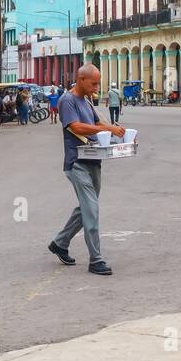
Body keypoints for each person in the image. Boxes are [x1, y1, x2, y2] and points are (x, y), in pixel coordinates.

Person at [47, 64, 123, 276]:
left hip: (94, 160)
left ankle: (60, 243)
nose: (97, 87)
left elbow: (98, 121)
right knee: (92, 210)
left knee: (86, 208)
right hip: (77, 162)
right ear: (81, 79)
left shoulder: (87, 100)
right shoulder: (67, 101)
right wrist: (107, 129)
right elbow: (76, 127)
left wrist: (117, 132)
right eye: (94, 83)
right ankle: (96, 259)